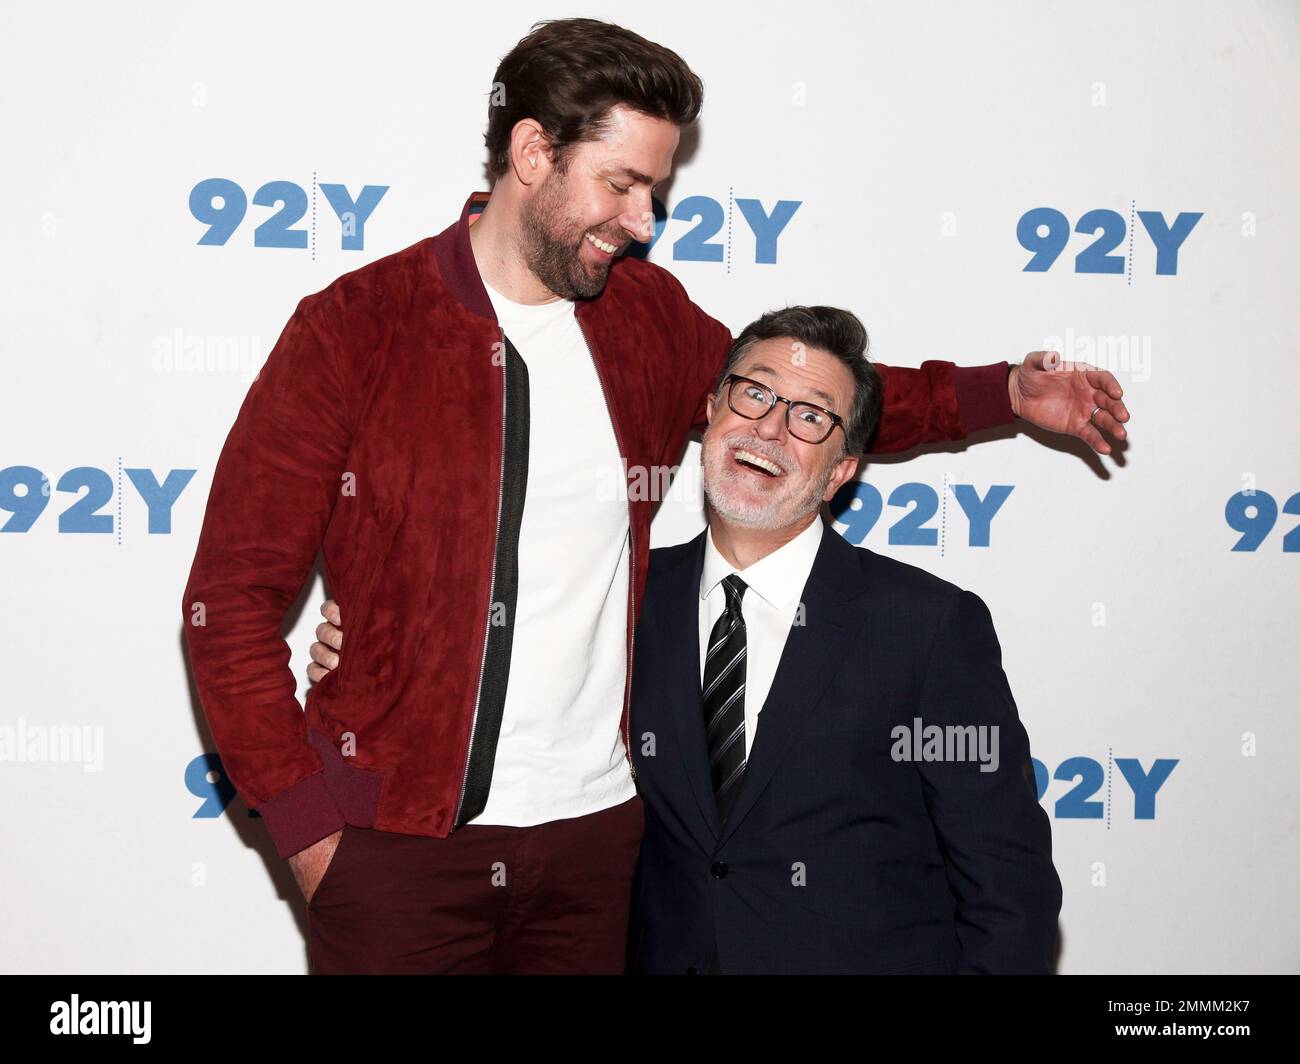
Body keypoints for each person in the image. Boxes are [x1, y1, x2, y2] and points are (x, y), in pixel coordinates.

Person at [184, 18, 1118, 975]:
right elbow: (230, 603)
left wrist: (997, 391)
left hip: (597, 853)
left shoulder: (643, 317)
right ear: (533, 151)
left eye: (657, 191)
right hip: (397, 856)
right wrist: (309, 834)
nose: (643, 221)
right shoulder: (355, 328)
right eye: (621, 184)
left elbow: (794, 401)